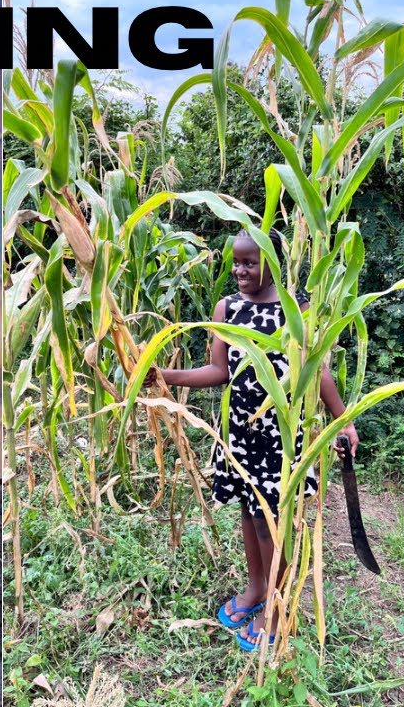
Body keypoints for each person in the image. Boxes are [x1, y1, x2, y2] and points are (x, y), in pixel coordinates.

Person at [151, 228, 359, 652]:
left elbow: (317, 371)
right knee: (248, 512)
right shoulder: (227, 308)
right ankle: (257, 587)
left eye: (250, 263)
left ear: (273, 264)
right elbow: (219, 371)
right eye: (237, 263)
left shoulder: (297, 309)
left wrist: (344, 421)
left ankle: (277, 608)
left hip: (279, 438)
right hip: (240, 433)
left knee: (270, 522)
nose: (240, 271)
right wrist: (166, 376)